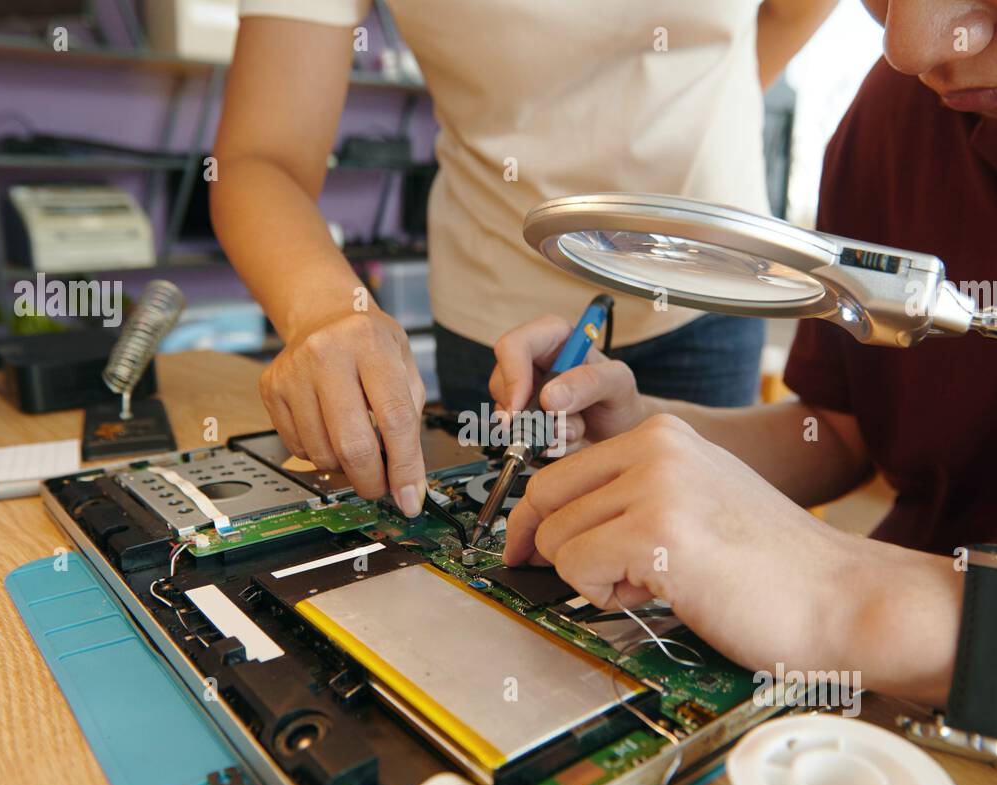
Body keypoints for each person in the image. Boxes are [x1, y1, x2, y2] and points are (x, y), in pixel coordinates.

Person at [490, 0, 997, 785]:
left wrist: (865, 603)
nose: (911, 46)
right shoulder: (904, 111)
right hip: (878, 735)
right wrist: (647, 435)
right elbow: (845, 430)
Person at [212, 0, 837, 517]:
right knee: (497, 546)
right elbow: (261, 156)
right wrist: (321, 310)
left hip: (707, 284)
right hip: (494, 296)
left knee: (695, 558)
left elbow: (793, 11)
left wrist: (696, 116)